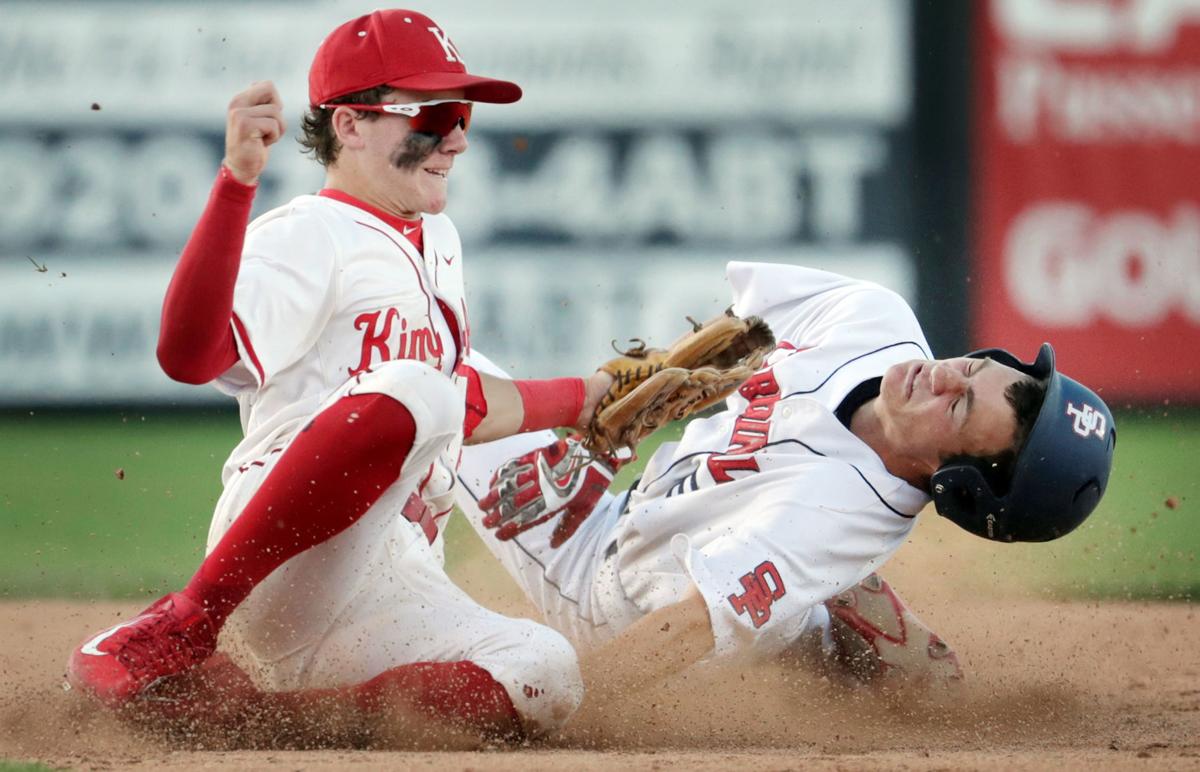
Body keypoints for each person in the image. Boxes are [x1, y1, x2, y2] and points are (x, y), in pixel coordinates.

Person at [67, 9, 615, 742]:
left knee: (545, 673)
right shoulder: (307, 235)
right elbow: (188, 357)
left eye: (463, 113)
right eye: (431, 112)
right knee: (415, 385)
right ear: (351, 125)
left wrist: (590, 399)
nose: (454, 135)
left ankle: (254, 724)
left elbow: (458, 406)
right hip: (281, 559)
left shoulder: (437, 241)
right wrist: (236, 185)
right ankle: (181, 625)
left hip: (388, 578)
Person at [456, 261, 1116, 704]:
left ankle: (819, 627)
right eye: (974, 370)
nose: (946, 374)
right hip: (620, 509)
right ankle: (826, 613)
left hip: (617, 599)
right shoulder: (874, 320)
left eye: (962, 407)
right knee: (438, 378)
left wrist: (547, 712)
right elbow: (740, 335)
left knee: (752, 605)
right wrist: (609, 414)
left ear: (959, 483)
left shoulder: (837, 515)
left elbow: (684, 630)